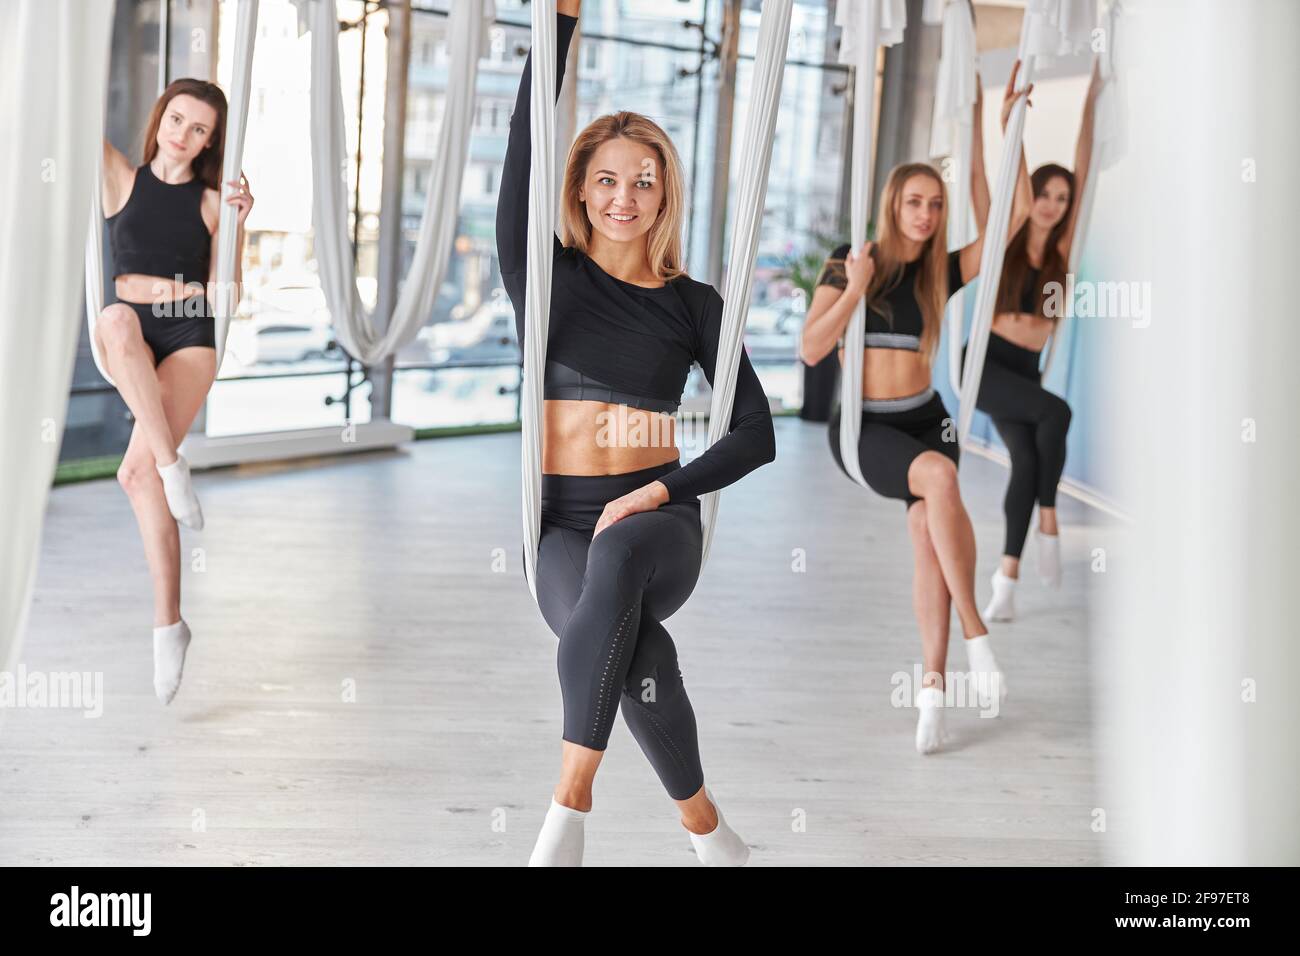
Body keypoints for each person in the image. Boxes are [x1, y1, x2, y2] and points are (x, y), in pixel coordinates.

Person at [497, 2, 775, 865]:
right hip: (562, 524)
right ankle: (709, 832)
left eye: (645, 179)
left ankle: (566, 810)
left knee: (619, 567)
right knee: (638, 654)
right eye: (608, 179)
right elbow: (520, 157)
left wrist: (662, 489)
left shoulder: (694, 304)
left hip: (659, 523)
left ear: (666, 193)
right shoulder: (544, 277)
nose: (625, 196)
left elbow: (757, 434)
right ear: (579, 187)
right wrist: (563, 25)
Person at [97, 78, 252, 703]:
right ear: (159, 114)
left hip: (189, 335)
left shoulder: (214, 202)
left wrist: (240, 225)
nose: (182, 135)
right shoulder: (119, 178)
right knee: (112, 319)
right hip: (128, 332)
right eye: (176, 118)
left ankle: (169, 626)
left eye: (199, 130)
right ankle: (172, 464)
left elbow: (225, 292)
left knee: (133, 479)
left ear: (210, 142)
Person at [974, 60, 1102, 621]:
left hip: (1025, 372)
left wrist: (1093, 99)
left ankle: (1005, 580)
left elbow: (1086, 163)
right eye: (1045, 194)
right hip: (987, 367)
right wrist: (1008, 124)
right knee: (1058, 414)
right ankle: (1050, 519)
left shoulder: (1062, 253)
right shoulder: (1010, 237)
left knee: (1026, 460)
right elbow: (1011, 179)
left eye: (1061, 197)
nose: (1052, 203)